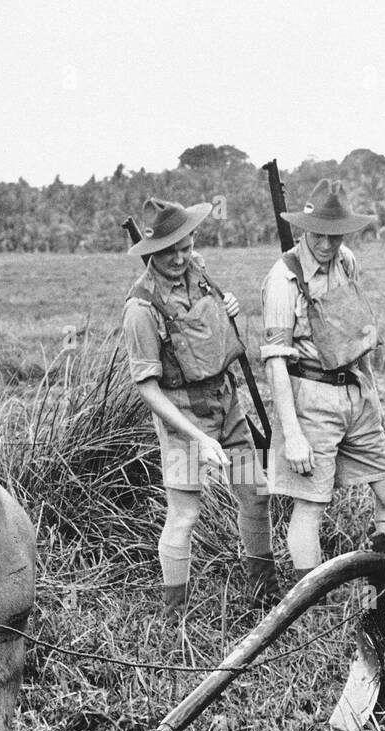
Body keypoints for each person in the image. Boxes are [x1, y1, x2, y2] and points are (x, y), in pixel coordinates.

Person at [122, 197, 276, 620]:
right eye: (167, 251)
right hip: (184, 415)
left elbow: (216, 340)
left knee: (255, 492)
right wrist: (197, 437)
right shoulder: (140, 309)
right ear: (149, 253)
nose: (178, 258)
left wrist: (231, 313)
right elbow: (148, 390)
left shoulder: (201, 273)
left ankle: (264, 595)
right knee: (186, 514)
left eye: (184, 246)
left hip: (227, 406)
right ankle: (176, 616)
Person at [259, 179, 385, 593]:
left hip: (355, 394)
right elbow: (275, 360)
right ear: (305, 227)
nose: (327, 243)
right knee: (311, 505)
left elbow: (354, 336)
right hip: (309, 398)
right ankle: (311, 605)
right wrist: (291, 434)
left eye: (336, 234)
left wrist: (373, 398)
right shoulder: (283, 279)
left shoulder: (346, 262)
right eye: (320, 233)